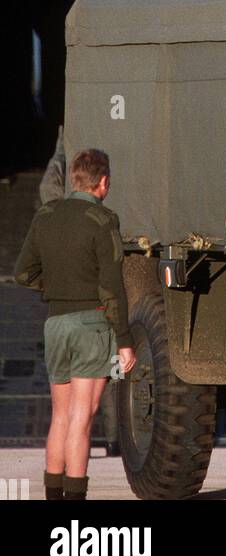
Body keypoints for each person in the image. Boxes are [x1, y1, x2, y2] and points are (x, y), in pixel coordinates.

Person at [14, 148, 136, 501]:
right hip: (91, 326)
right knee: (82, 419)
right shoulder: (103, 220)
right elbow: (112, 288)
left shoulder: (46, 215)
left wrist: (53, 288)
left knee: (61, 418)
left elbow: (23, 273)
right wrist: (125, 340)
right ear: (104, 182)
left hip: (55, 325)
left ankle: (54, 497)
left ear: (73, 180)